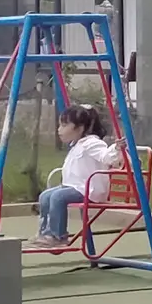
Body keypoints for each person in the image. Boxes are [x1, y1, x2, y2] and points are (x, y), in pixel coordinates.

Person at [32, 105, 121, 250]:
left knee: (58, 197)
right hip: (75, 187)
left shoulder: (92, 143)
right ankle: (45, 233)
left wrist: (116, 149)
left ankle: (58, 236)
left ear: (79, 129)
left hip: (90, 190)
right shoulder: (77, 145)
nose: (59, 129)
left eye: (64, 125)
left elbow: (105, 157)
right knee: (45, 196)